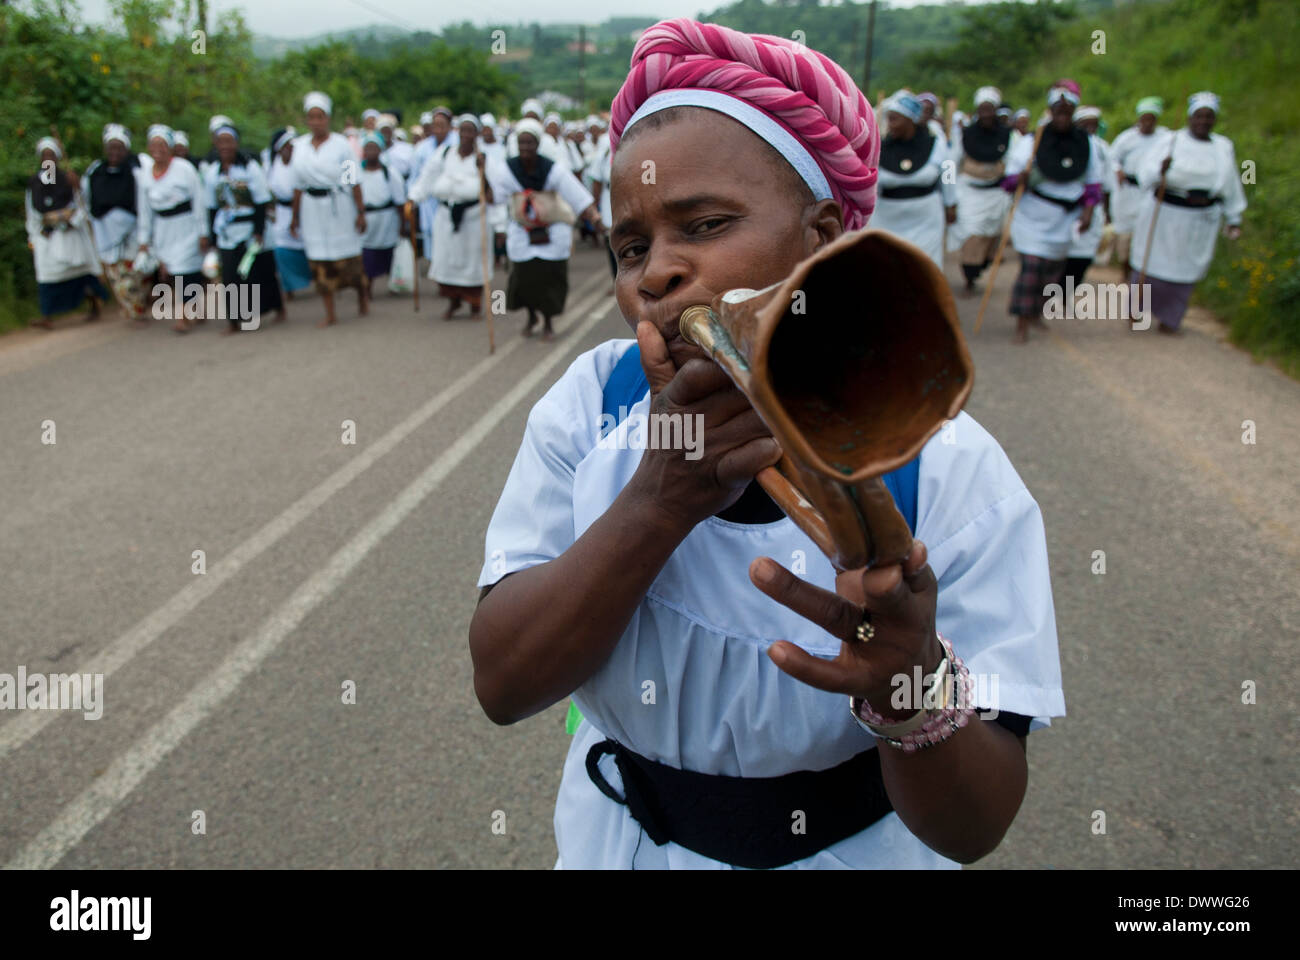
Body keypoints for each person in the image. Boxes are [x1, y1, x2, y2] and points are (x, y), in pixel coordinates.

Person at [470, 17, 1063, 871]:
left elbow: (973, 830)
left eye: (704, 225)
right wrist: (660, 498)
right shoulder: (595, 407)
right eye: (630, 247)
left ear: (823, 239)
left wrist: (911, 685)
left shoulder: (946, 467)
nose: (656, 274)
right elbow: (504, 684)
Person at [1128, 91, 1246, 334]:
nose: (1203, 121)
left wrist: (1234, 217)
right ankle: (1137, 310)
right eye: (1199, 116)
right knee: (1151, 267)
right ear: (1190, 118)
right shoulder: (1170, 141)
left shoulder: (1223, 147)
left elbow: (1231, 183)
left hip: (1200, 220)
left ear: (1215, 119)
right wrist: (1160, 170)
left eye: (1209, 116)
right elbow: (1145, 175)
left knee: (1185, 272)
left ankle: (1170, 319)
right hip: (1165, 217)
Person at [1002, 80, 1104, 342]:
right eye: (1057, 110)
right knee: (1032, 269)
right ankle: (1021, 323)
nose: (1061, 115)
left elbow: (1093, 182)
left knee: (1053, 272)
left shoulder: (1085, 143)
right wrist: (1020, 178)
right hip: (1033, 216)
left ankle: (1036, 312)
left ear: (1072, 112)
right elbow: (1009, 180)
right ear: (1050, 110)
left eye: (1067, 111)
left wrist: (1088, 213)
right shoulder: (1032, 140)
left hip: (1065, 219)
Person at [487, 118, 598, 341]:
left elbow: (575, 195)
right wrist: (481, 174)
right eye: (522, 143)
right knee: (525, 279)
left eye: (530, 143)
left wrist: (594, 217)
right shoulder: (508, 169)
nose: (525, 148)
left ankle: (547, 321)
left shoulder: (552, 169)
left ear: (538, 144)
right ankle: (531, 316)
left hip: (552, 232)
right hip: (523, 232)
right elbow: (494, 197)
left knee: (549, 279)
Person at [289, 91, 369, 327]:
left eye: (320, 117)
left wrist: (361, 212)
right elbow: (297, 185)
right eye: (311, 117)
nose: (316, 122)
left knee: (347, 259)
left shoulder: (341, 146)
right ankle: (330, 312)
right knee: (319, 260)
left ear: (328, 118)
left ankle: (361, 295)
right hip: (312, 209)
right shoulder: (300, 146)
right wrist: (294, 217)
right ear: (306, 120)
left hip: (339, 207)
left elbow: (354, 181)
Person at [407, 116, 493, 318]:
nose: (466, 135)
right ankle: (453, 302)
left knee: (474, 263)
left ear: (476, 134)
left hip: (473, 218)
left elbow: (493, 193)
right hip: (446, 216)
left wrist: (483, 170)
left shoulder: (484, 157)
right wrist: (413, 199)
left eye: (470, 131)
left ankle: (474, 304)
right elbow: (427, 177)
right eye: (462, 130)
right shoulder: (445, 153)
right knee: (447, 260)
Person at [206, 124, 285, 332]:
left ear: (236, 143)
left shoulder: (249, 168)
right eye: (220, 141)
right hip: (226, 232)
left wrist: (258, 232)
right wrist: (213, 239)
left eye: (228, 141)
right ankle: (234, 320)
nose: (225, 146)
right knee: (229, 276)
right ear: (215, 144)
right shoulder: (213, 172)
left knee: (256, 272)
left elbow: (261, 202)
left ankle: (268, 310)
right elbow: (212, 207)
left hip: (249, 229)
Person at [26, 136, 108, 328]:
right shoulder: (34, 183)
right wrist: (34, 234)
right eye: (45, 155)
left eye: (51, 155)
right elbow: (32, 212)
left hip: (69, 233)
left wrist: (72, 219)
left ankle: (94, 304)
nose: (48, 159)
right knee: (47, 274)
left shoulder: (68, 179)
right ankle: (47, 315)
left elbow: (82, 205)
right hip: (47, 235)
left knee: (81, 272)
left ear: (57, 158)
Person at [137, 125, 210, 332]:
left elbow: (199, 200)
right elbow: (145, 211)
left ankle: (184, 316)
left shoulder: (184, 169)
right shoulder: (146, 175)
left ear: (169, 147)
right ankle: (195, 307)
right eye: (154, 144)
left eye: (162, 144)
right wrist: (144, 240)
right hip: (163, 230)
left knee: (184, 271)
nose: (157, 149)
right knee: (172, 272)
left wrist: (203, 231)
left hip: (186, 226)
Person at [870, 91, 955, 270]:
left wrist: (950, 203)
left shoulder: (936, 144)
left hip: (926, 220)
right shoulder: (878, 148)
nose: (889, 125)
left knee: (924, 268)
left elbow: (949, 174)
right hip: (886, 220)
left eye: (894, 119)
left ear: (910, 120)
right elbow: (870, 183)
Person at [946, 87, 1013, 294]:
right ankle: (969, 274)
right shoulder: (965, 134)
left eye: (990, 109)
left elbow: (1012, 163)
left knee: (991, 234)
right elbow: (950, 163)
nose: (986, 114)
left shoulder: (1007, 135)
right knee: (971, 233)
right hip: (969, 192)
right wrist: (949, 194)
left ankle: (980, 265)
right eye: (982, 109)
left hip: (996, 194)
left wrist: (1012, 181)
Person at [84, 124, 148, 323]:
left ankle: (138, 307)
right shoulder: (95, 171)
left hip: (132, 233)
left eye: (119, 148)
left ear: (126, 149)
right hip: (106, 234)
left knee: (134, 275)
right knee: (117, 277)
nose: (115, 152)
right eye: (111, 147)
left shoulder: (137, 167)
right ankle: (132, 310)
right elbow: (87, 201)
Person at [1109, 97, 1169, 268]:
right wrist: (1117, 169)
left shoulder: (1164, 138)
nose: (1148, 123)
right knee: (1125, 235)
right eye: (1145, 118)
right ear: (1139, 119)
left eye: (1152, 119)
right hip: (1127, 191)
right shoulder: (1126, 139)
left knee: (1146, 232)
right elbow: (1112, 159)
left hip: (1150, 192)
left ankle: (1141, 270)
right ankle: (1125, 269)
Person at [1063, 106, 1110, 288]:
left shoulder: (1102, 148)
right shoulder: (1066, 143)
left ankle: (1067, 294)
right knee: (1063, 253)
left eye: (1094, 125)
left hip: (1093, 209)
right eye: (1085, 125)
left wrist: (1106, 211)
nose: (1090, 130)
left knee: (1084, 255)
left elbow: (1106, 183)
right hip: (1068, 207)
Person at [357, 131, 408, 292]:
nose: (371, 151)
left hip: (387, 220)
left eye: (374, 148)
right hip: (366, 220)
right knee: (366, 256)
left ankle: (394, 284)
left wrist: (403, 224)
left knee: (387, 254)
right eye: (368, 148)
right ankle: (366, 289)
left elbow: (400, 201)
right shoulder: (356, 171)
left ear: (380, 150)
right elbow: (347, 194)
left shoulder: (390, 173)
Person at [408, 107, 457, 268]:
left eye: (442, 125)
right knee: (429, 231)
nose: (439, 129)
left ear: (449, 126)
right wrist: (412, 198)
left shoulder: (457, 143)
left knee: (450, 233)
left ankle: (448, 267)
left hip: (450, 198)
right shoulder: (422, 148)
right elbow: (415, 176)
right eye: (435, 125)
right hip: (428, 200)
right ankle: (433, 264)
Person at [265, 128, 312, 298]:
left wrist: (296, 216)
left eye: (292, 146)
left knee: (310, 246)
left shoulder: (301, 163)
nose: (290, 149)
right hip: (282, 212)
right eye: (286, 146)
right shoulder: (274, 165)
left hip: (304, 209)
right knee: (282, 249)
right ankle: (289, 287)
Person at [479, 114, 510, 268]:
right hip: (484, 189)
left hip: (501, 190)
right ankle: (492, 258)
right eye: (483, 129)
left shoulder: (501, 148)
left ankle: (503, 256)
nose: (486, 132)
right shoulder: (478, 147)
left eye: (488, 129)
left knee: (502, 226)